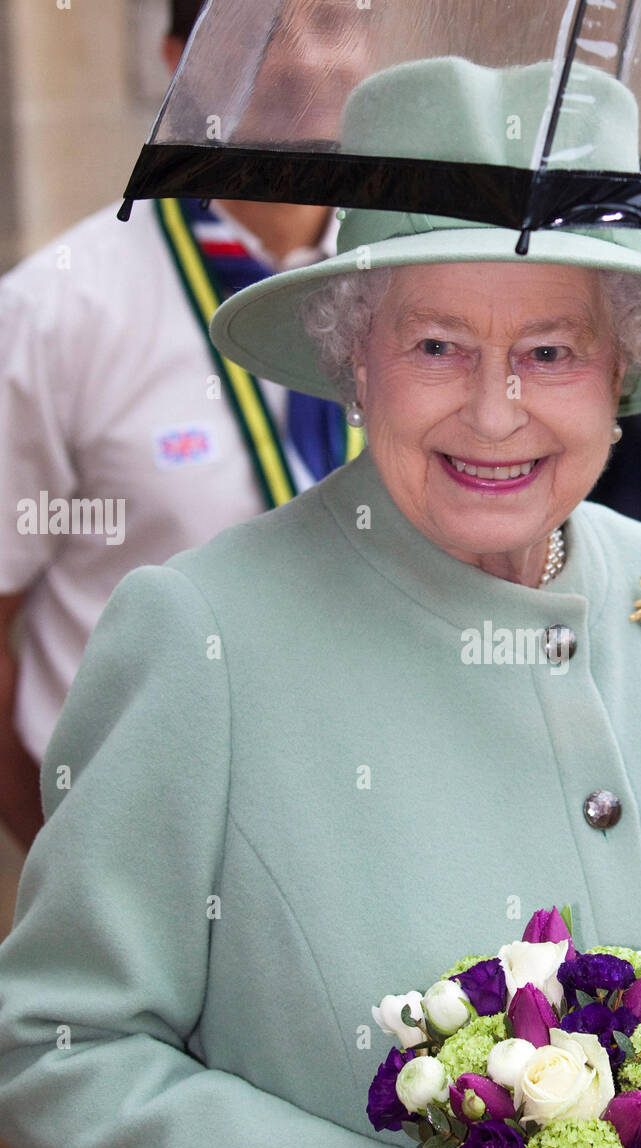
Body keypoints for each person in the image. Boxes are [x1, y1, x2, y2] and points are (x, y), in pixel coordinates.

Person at [0, 56, 641, 1148]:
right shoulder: (203, 635)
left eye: (550, 350)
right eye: (438, 344)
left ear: (624, 372)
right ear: (354, 360)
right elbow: (55, 1045)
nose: (495, 414)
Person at [0, 0, 352, 851]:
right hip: (139, 840)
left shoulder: (424, 291)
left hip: (364, 826)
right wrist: (53, 840)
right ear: (178, 61)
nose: (302, 60)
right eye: (260, 30)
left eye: (335, 19)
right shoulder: (56, 309)